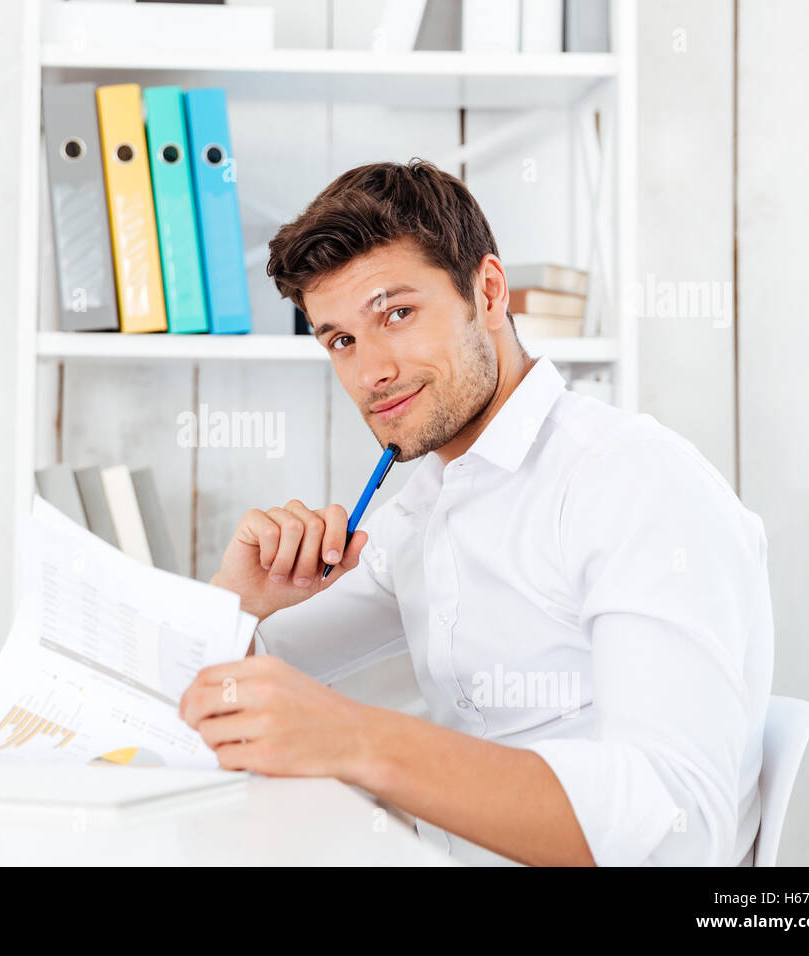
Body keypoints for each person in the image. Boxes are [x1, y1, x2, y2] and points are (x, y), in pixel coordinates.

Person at [177, 158, 773, 867]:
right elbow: (231, 688)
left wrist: (360, 740)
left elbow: (680, 827)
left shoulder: (633, 481)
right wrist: (238, 603)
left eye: (396, 314)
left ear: (488, 293)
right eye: (340, 339)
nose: (371, 373)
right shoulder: (424, 512)